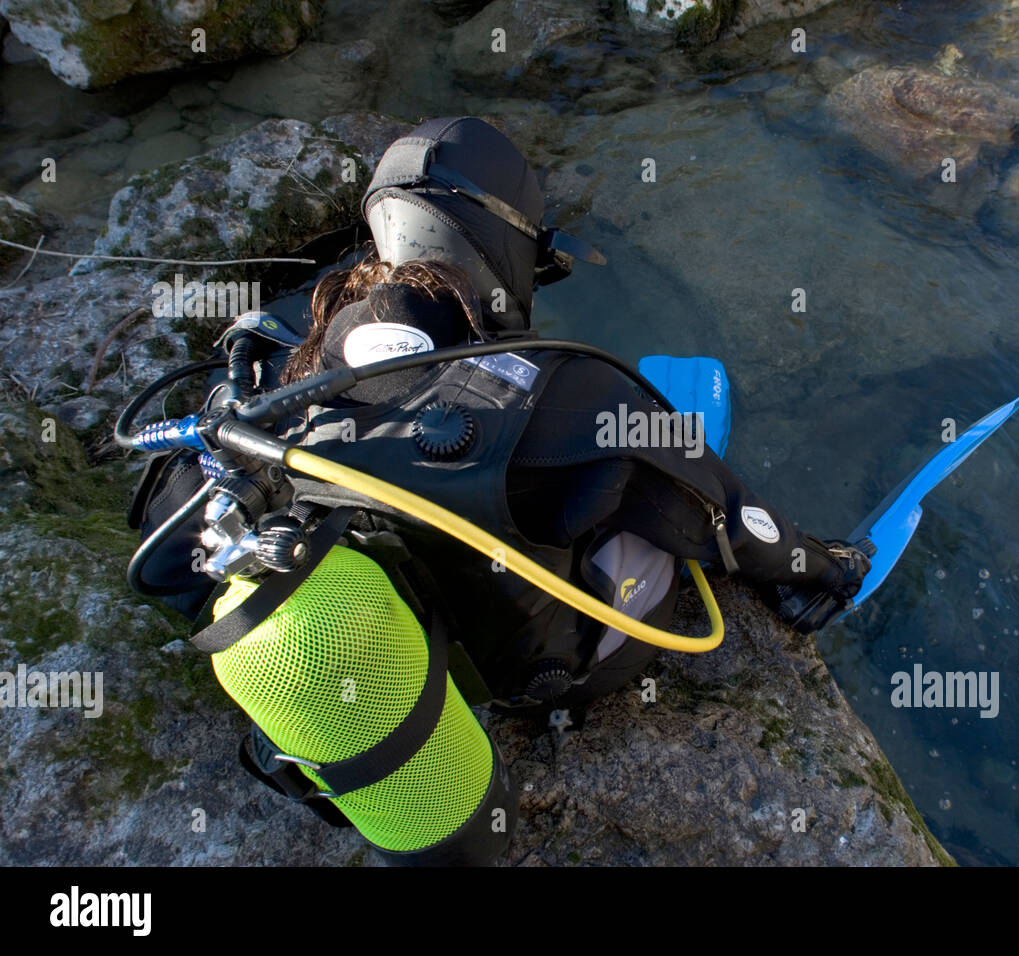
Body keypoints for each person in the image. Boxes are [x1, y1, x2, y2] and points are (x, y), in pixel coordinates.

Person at [128, 116, 872, 865]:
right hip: (544, 673)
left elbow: (168, 559)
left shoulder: (272, 375)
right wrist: (825, 572)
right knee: (663, 499)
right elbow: (735, 522)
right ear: (515, 253)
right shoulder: (568, 393)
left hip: (399, 673)